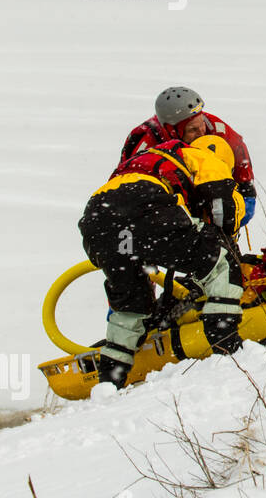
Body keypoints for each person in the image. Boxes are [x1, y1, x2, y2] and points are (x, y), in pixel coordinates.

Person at [79, 135, 247, 387]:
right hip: (145, 207)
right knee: (222, 262)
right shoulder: (203, 155)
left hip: (98, 221)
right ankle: (227, 346)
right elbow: (223, 203)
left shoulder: (143, 161)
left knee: (131, 305)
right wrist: (225, 241)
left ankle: (110, 380)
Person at [120, 86, 257, 225]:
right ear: (171, 130)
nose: (201, 132)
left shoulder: (216, 128)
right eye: (192, 129)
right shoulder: (145, 148)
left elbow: (240, 158)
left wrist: (246, 194)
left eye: (202, 123)